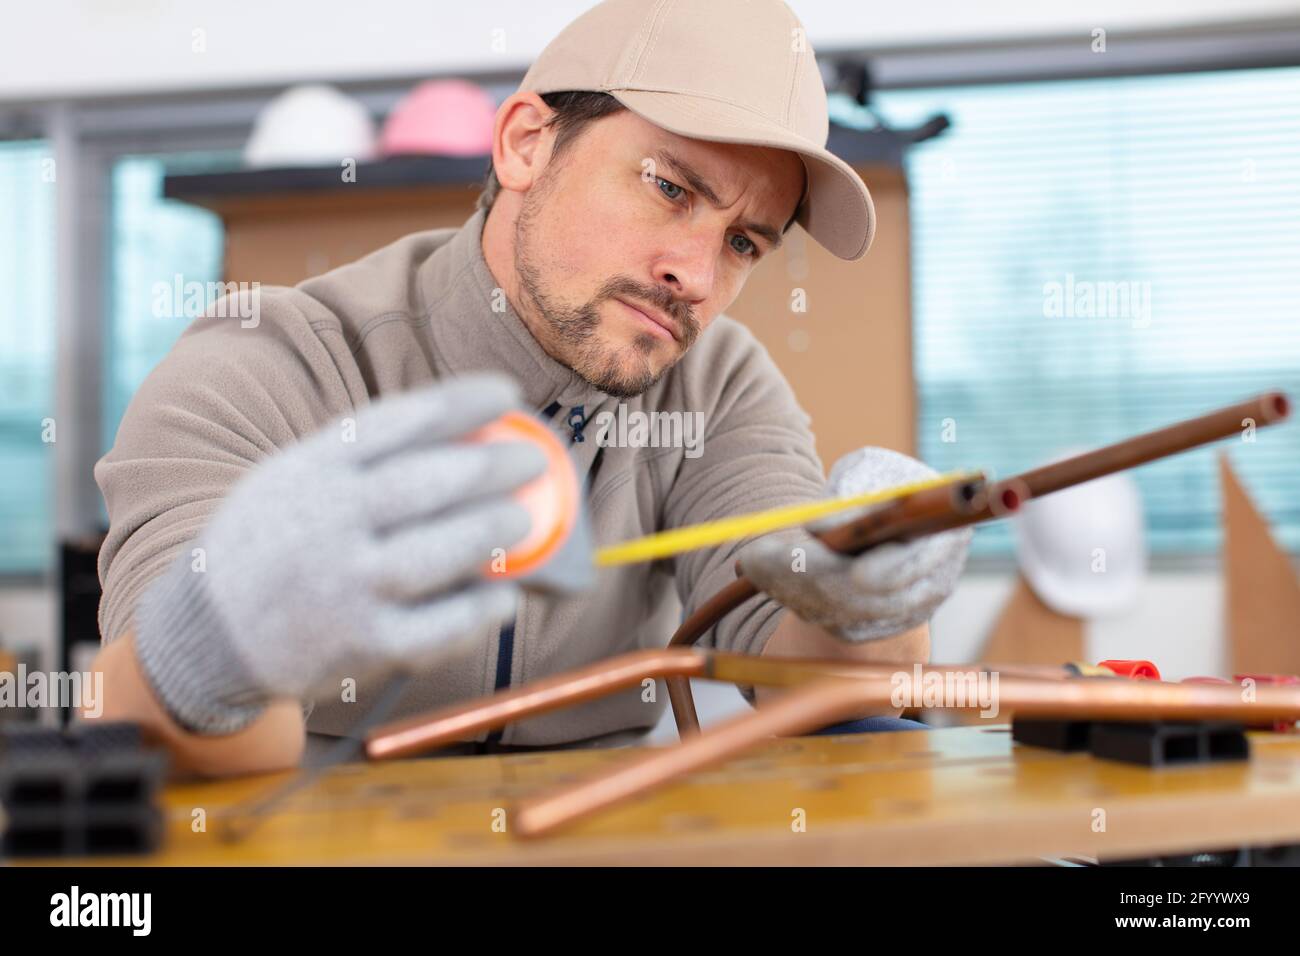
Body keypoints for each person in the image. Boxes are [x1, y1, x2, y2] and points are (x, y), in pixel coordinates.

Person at [89, 0, 970, 776]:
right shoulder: (265, 363)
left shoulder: (714, 385)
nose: (696, 274)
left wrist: (869, 604)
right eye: (669, 187)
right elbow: (130, 717)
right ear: (525, 143)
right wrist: (219, 644)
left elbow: (796, 665)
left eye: (745, 242)